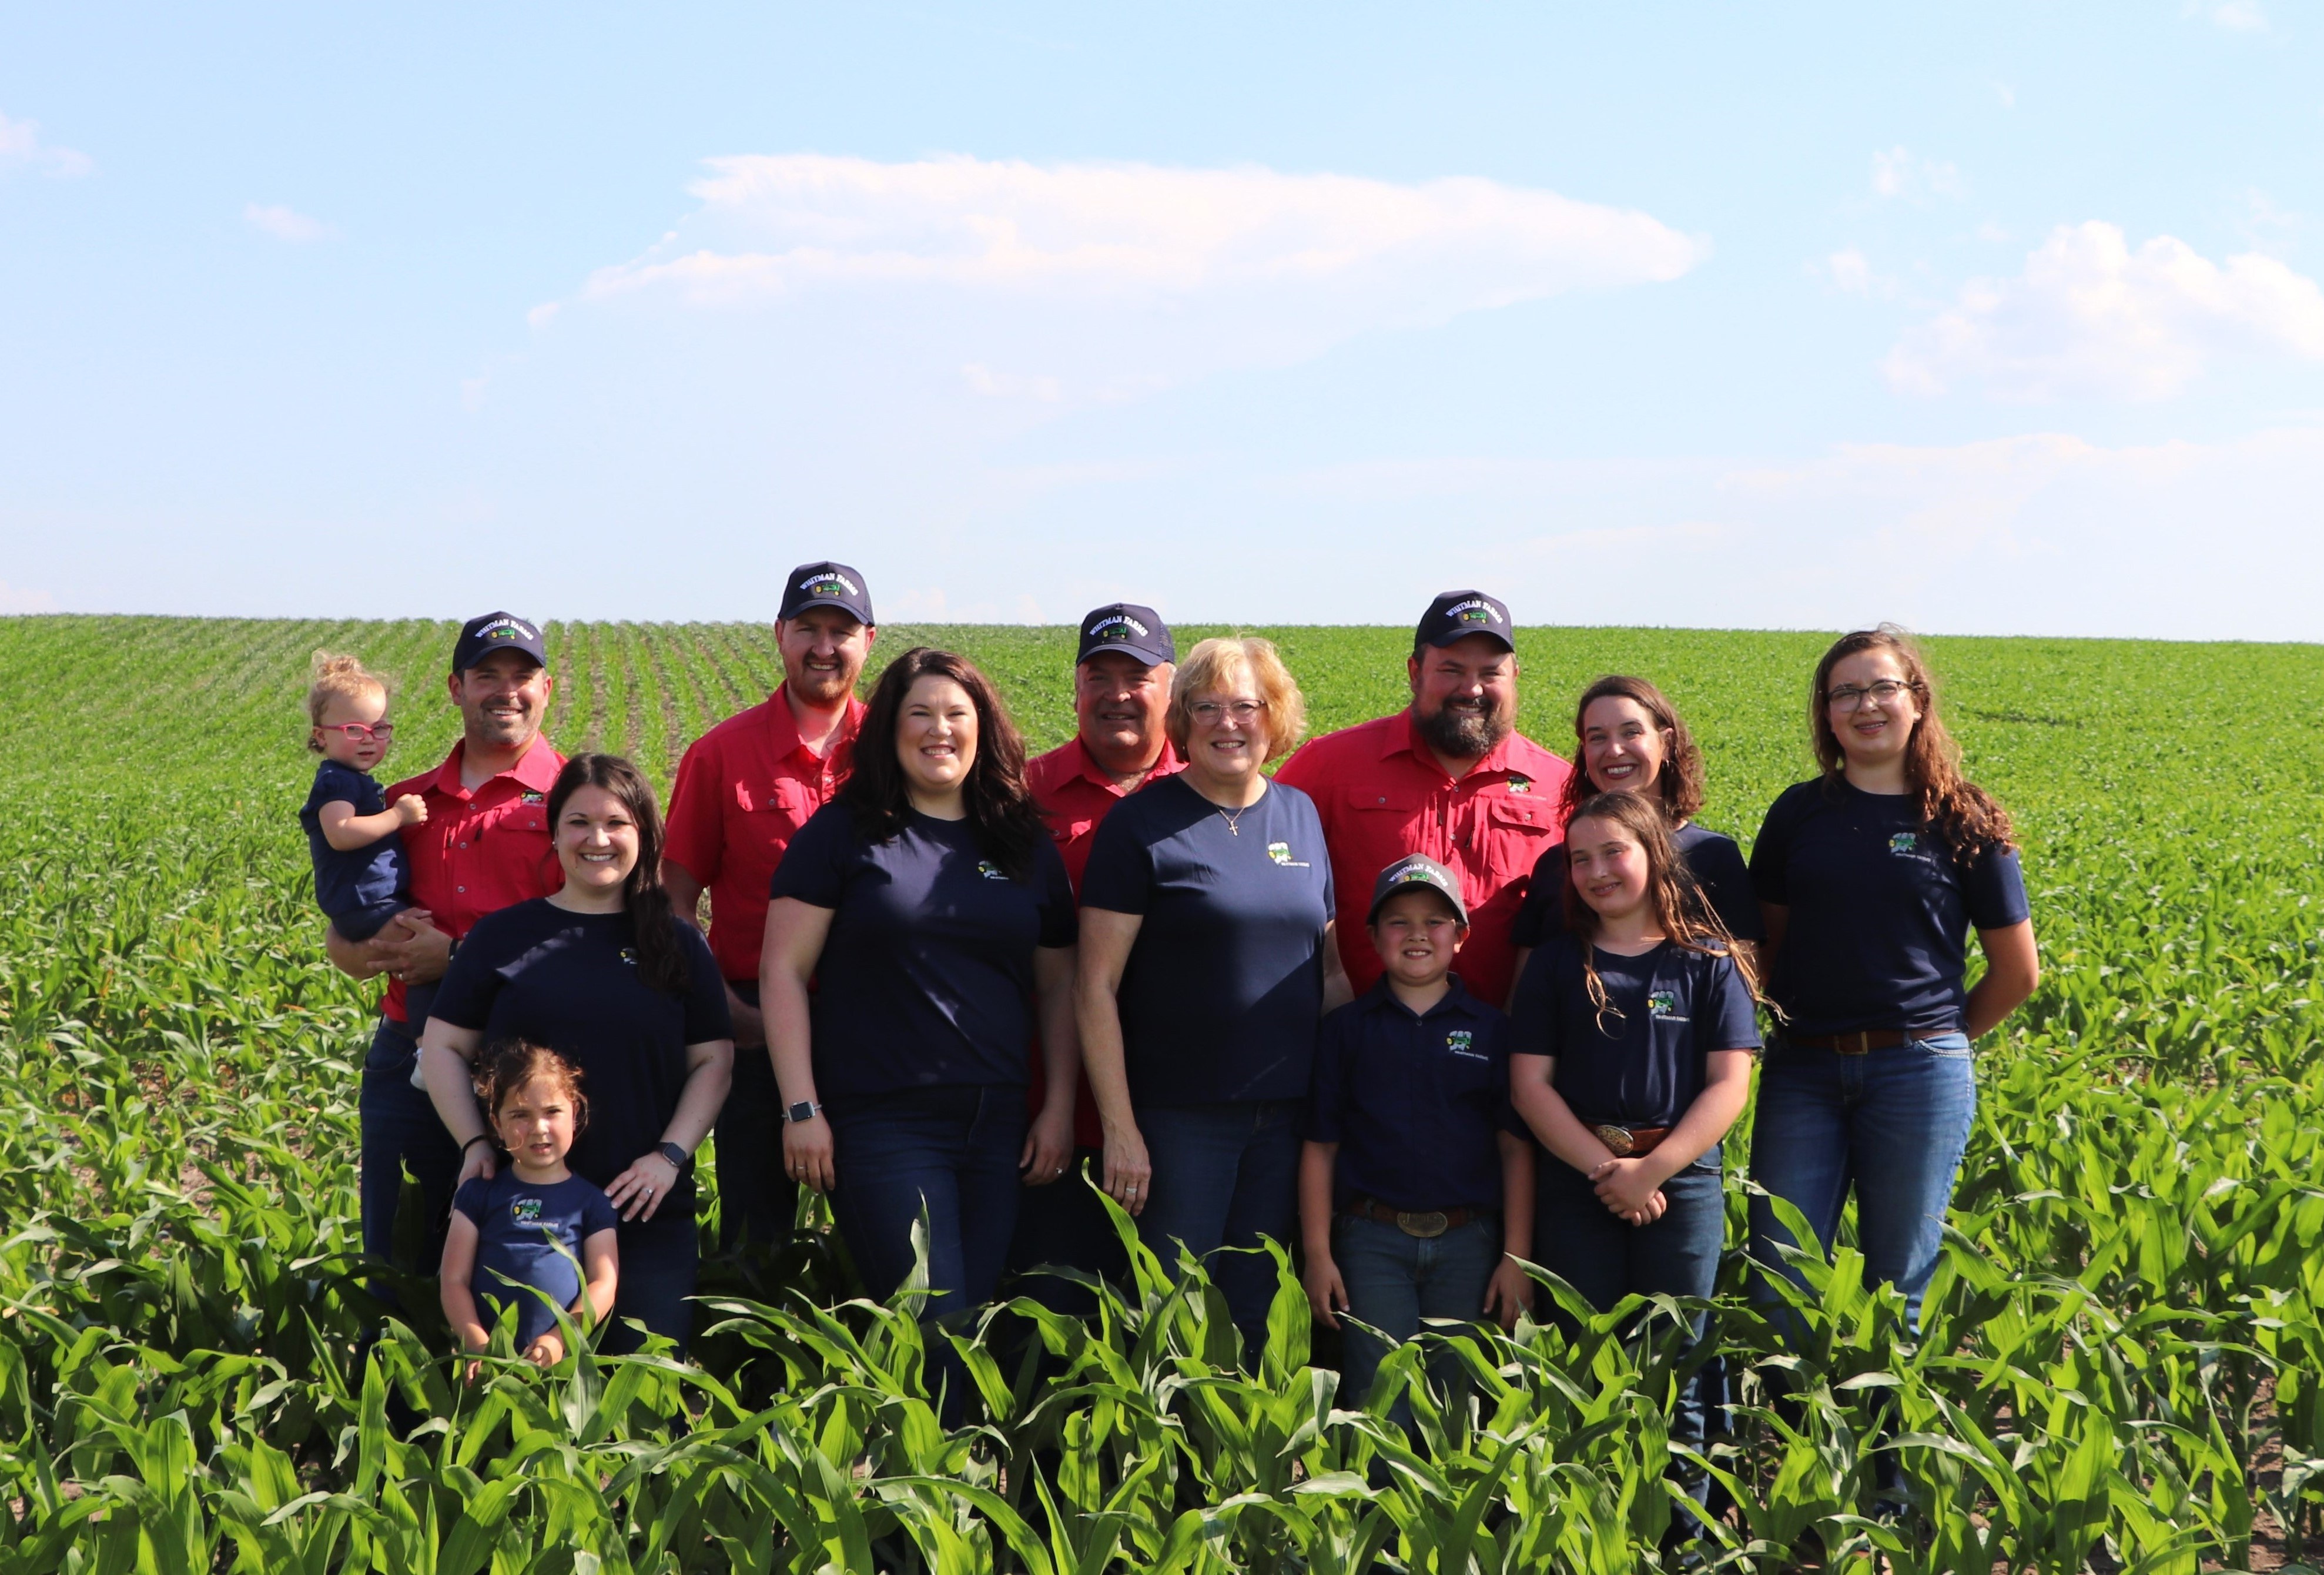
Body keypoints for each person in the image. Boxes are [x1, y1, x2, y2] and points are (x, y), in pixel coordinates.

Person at [761, 648, 1078, 1336]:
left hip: (997, 1123)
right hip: (884, 1123)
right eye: (921, 714)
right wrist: (801, 1108)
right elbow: (782, 971)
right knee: (933, 1328)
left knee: (971, 1331)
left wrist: (1058, 1106)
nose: (940, 730)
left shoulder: (1021, 841)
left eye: (957, 714)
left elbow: (1059, 987)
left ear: (982, 727)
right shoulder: (842, 834)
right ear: (889, 729)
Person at [1745, 626, 2040, 1333]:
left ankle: (1890, 1414)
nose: (1865, 705)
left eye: (1883, 687)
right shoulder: (1797, 814)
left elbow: (2017, 971)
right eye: (1845, 692)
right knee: (1780, 1281)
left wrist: (1937, 1040)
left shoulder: (1965, 818)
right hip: (1803, 1072)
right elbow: (1765, 949)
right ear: (1826, 713)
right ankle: (1793, 1409)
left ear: (1917, 700)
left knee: (1898, 1289)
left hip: (1918, 1077)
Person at [1077, 636, 1351, 1346]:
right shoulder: (1140, 824)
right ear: (1182, 721)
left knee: (1256, 1314)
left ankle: (1239, 1428)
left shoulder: (1300, 815)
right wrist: (1120, 1128)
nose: (1228, 723)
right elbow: (1095, 986)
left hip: (1285, 1121)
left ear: (1274, 717)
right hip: (1179, 1124)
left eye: (1246, 706)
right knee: (1173, 1317)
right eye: (1207, 707)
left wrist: (1352, 1089)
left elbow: (1329, 972)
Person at [420, 754, 734, 1355]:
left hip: (645, 1209)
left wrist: (668, 1158)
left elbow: (713, 1061)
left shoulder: (676, 942)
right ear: (554, 832)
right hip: (522, 1216)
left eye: (616, 823)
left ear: (644, 834)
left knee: (644, 1387)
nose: (598, 839)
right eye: (579, 823)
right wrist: (475, 1144)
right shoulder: (502, 936)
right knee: (524, 1383)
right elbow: (443, 1046)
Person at [1509, 791, 1759, 1510]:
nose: (1597, 872)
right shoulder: (1556, 964)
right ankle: (1593, 1520)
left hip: (1682, 1184)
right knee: (1584, 1355)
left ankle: (1682, 1529)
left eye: (1614, 852)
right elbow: (1529, 1086)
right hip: (1577, 1182)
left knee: (1676, 1359)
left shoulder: (1709, 962)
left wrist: (1651, 1171)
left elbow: (1730, 1086)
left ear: (1655, 855)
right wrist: (1606, 1171)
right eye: (1580, 859)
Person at [324, 612, 564, 1284]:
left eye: (523, 676)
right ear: (457, 688)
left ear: (547, 689)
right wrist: (358, 950)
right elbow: (347, 920)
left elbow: (594, 941)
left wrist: (454, 958)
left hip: (534, 1066)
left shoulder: (578, 804)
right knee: (399, 1262)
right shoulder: (404, 804)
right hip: (408, 1054)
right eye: (488, 676)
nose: (506, 691)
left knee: (526, 1270)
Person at [662, 561, 876, 1258]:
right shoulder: (721, 755)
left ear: (869, 641)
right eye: (808, 629)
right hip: (755, 1026)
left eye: (841, 631)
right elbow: (674, 900)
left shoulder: (896, 750)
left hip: (877, 1026)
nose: (824, 647)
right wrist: (726, 1010)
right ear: (780, 634)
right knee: (756, 1241)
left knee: (884, 1232)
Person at [1301, 854, 1534, 1416]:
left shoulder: (1492, 1030)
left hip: (1469, 1243)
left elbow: (1515, 1148)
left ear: (1462, 935)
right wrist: (1317, 1254)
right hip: (1370, 1242)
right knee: (1379, 1398)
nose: (1417, 934)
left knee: (1456, 1403)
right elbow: (1320, 1148)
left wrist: (1517, 1258)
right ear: (1372, 936)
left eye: (1435, 921)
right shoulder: (1346, 1030)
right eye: (1398, 922)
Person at [1276, 589, 1569, 1014]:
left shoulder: (1560, 786)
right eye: (1451, 670)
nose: (1472, 688)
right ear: (1415, 673)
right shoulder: (1328, 765)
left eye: (1491, 673)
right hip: (1355, 1040)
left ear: (1515, 677)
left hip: (1507, 1044)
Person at [1012, 604, 1184, 1298]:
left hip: (1182, 1107)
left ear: (1170, 688)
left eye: (1137, 678)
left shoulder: (1215, 789)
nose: (1118, 695)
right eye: (1099, 677)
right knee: (1049, 1303)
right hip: (1054, 1106)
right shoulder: (1023, 796)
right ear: (1076, 688)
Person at [1506, 674, 1763, 998]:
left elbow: (1742, 987)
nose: (1614, 750)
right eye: (1597, 738)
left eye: (1631, 732)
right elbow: (1523, 997)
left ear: (1666, 743)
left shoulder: (1713, 856)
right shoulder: (1556, 865)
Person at [440, 1040, 619, 1369]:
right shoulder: (478, 1194)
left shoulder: (591, 1202)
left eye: (552, 1112)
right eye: (520, 1115)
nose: (539, 1128)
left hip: (562, 1368)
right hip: (486, 1365)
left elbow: (603, 1283)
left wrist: (561, 1339)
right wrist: (480, 1346)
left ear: (575, 1114)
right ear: (497, 1123)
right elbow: (453, 1281)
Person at [300, 652, 430, 1006]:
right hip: (364, 905)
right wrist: (398, 816)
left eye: (379, 728)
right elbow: (341, 833)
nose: (369, 739)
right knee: (421, 950)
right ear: (321, 736)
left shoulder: (351, 779)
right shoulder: (336, 781)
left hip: (373, 902)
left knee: (420, 953)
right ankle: (428, 1027)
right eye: (354, 730)